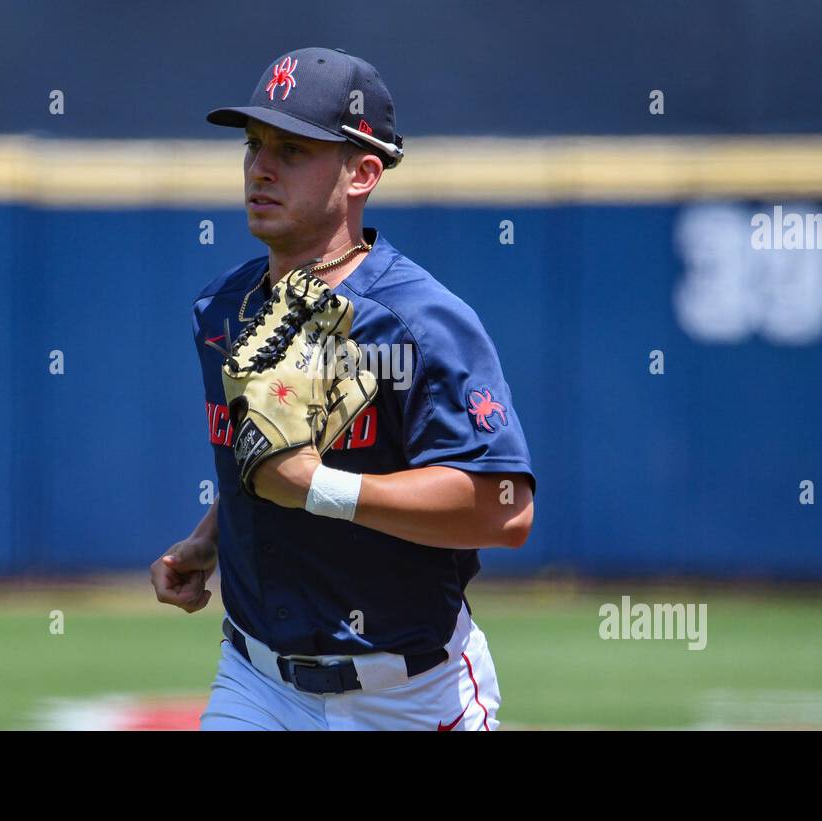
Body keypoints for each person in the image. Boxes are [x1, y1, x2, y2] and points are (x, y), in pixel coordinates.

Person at [149, 46, 536, 730]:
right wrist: (209, 539)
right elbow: (265, 462)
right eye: (254, 143)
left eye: (293, 149)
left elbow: (505, 510)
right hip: (257, 681)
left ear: (362, 171)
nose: (260, 167)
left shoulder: (420, 321)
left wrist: (318, 487)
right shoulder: (222, 309)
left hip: (410, 694)